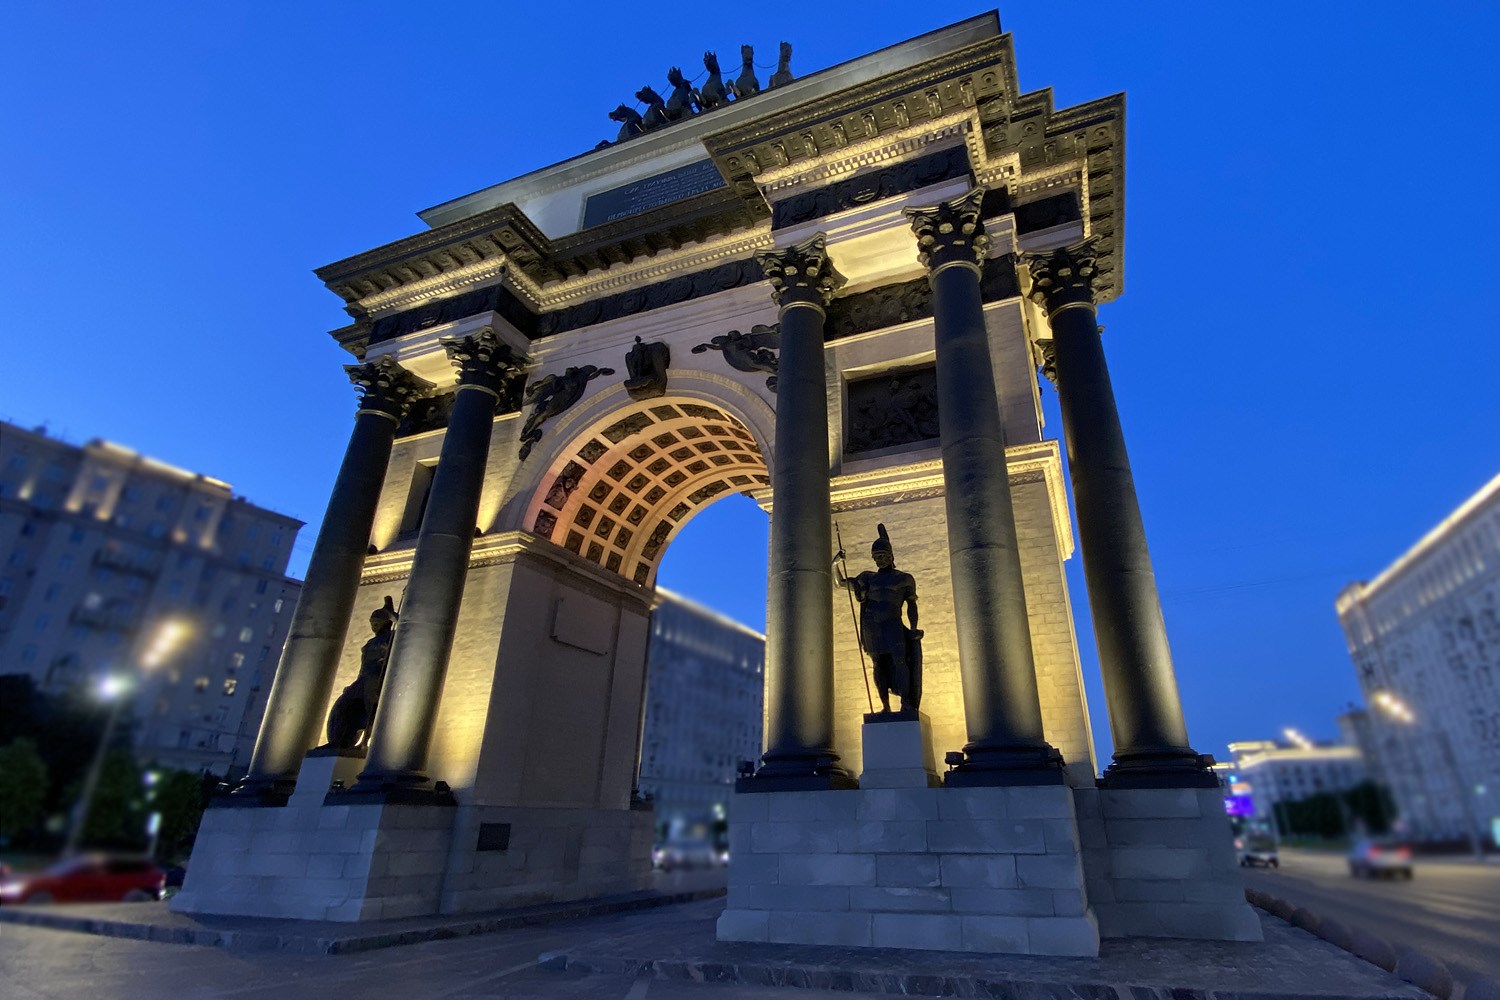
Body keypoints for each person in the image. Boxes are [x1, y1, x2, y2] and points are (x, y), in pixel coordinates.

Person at [835, 524, 923, 713]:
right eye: (875, 558)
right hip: (872, 625)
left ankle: (906, 702)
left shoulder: (904, 579)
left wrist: (914, 627)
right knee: (878, 664)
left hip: (893, 624)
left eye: (881, 556)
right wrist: (835, 564)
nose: (878, 561)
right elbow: (841, 584)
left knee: (900, 661)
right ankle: (885, 707)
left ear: (891, 556)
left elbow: (911, 605)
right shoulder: (868, 578)